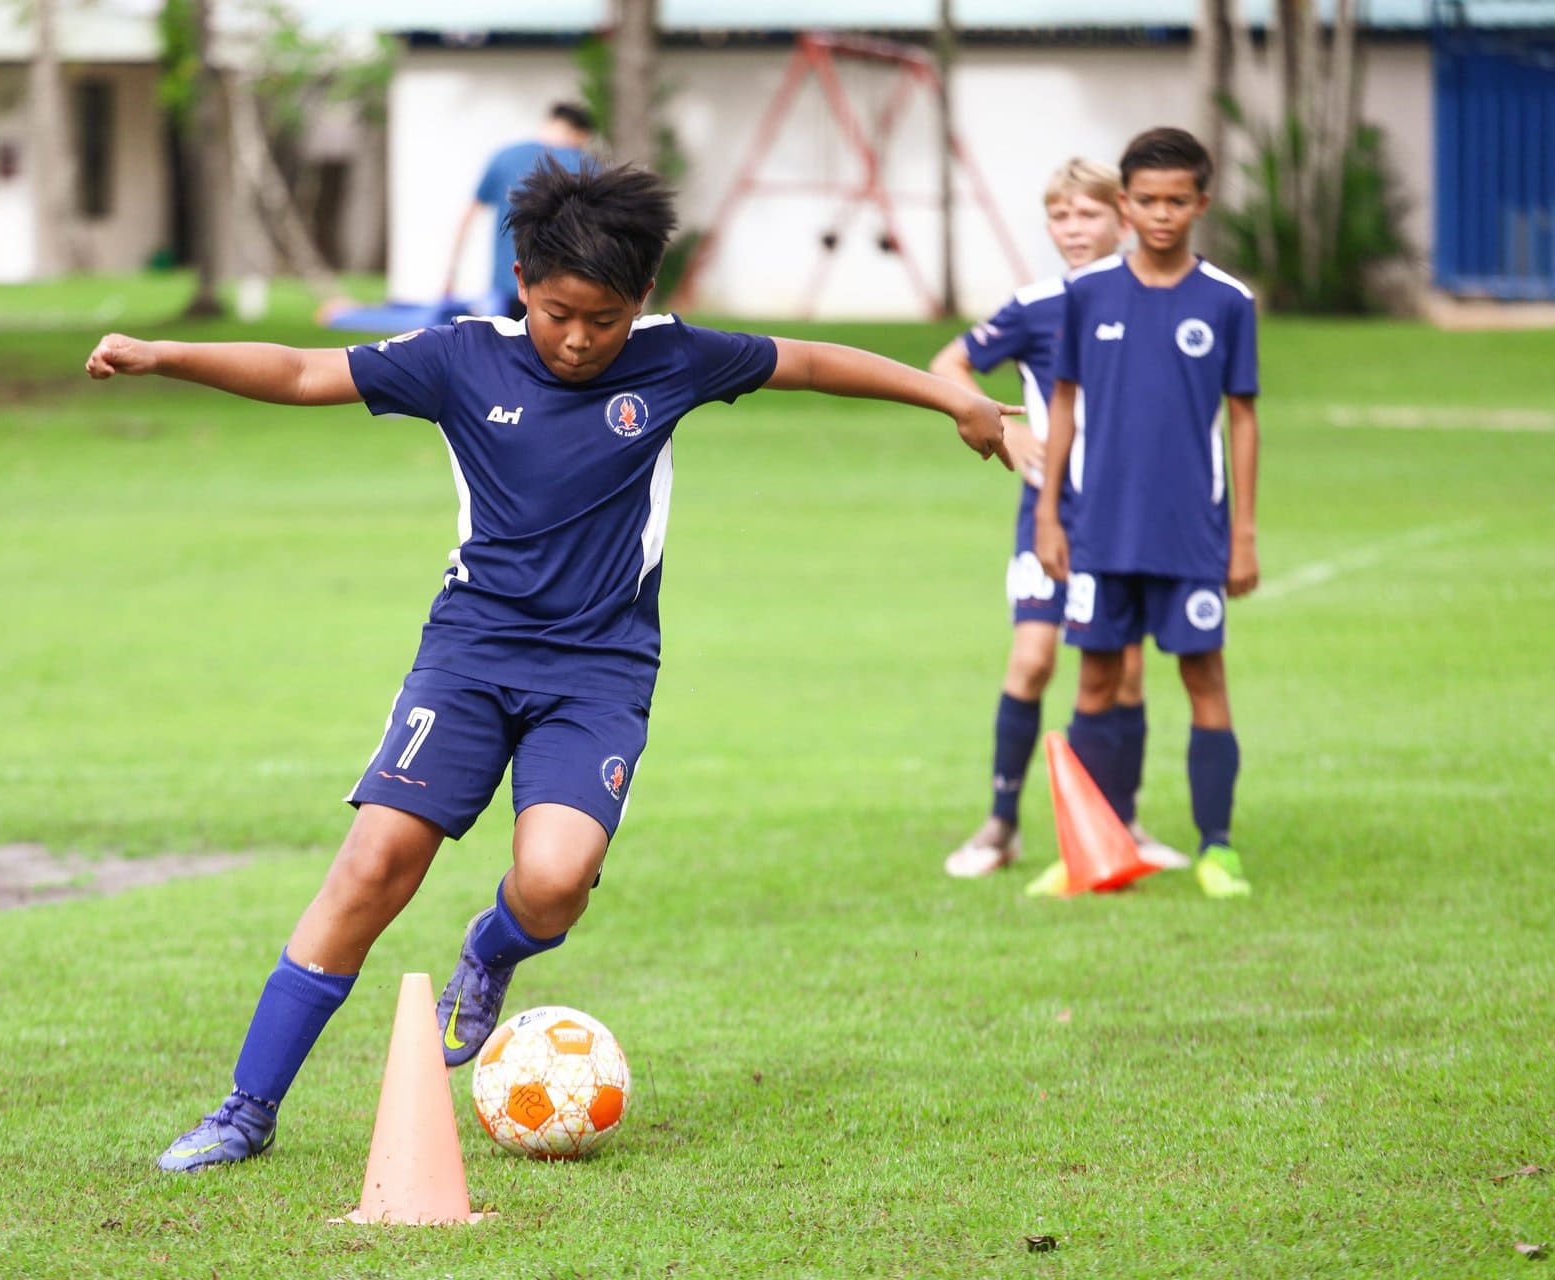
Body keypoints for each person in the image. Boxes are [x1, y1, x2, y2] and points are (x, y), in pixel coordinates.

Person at [84, 159, 1021, 1172]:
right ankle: (244, 1109)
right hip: (471, 654)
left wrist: (952, 401)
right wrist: (161, 352)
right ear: (523, 278)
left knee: (556, 880)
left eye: (605, 319)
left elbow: (813, 362)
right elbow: (309, 371)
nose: (579, 338)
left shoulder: (673, 360)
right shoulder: (460, 359)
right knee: (374, 864)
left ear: (642, 305)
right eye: (560, 311)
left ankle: (492, 947)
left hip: (601, 670)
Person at [928, 158, 1186, 880]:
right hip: (1052, 514)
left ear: (1123, 219)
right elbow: (950, 363)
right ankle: (1001, 826)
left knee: (1126, 674)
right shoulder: (1037, 304)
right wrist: (1003, 431)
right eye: (1061, 216)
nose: (1074, 229)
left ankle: (1121, 824)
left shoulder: (1159, 298)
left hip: (1130, 520)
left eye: (1089, 214)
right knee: (1034, 659)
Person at [1034, 127, 1260, 899]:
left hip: (1191, 534)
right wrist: (1049, 518)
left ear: (1201, 203)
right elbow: (1063, 405)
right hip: (1101, 530)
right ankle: (1088, 851)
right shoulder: (1087, 293)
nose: (1162, 215)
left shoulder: (1227, 303)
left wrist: (1244, 533)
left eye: (1178, 201)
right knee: (1095, 681)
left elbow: (1244, 420)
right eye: (1148, 201)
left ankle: (1217, 848)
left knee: (1204, 677)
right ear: (1124, 205)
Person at [442, 102, 597, 318]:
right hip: (564, 283)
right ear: (581, 134)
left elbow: (469, 216)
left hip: (511, 284)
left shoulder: (504, 157)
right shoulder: (586, 166)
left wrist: (451, 273)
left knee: (510, 345)